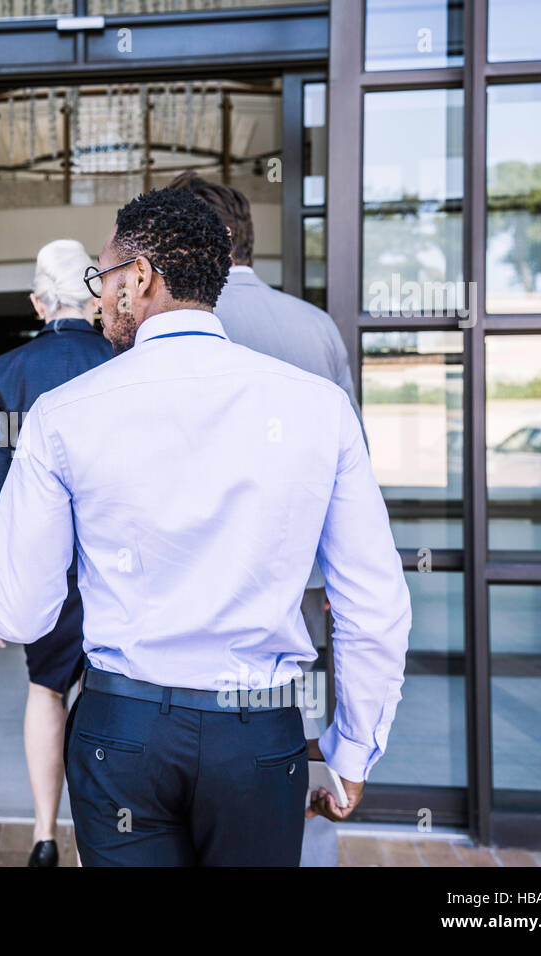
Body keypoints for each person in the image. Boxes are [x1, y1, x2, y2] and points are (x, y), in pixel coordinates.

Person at [0, 188, 411, 866]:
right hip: (259, 738)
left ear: (140, 278)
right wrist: (353, 749)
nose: (98, 297)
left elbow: (20, 611)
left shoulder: (63, 413)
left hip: (123, 733)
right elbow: (375, 602)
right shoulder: (319, 408)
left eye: (101, 278)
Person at [168, 172, 362, 665]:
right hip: (302, 569)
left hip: (196, 577)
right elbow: (352, 464)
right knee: (299, 715)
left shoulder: (172, 328)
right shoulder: (318, 327)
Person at [0, 239, 112, 867]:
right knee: (112, 691)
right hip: (114, 562)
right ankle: (102, 834)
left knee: (44, 689)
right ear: (97, 300)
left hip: (43, 561)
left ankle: (43, 833)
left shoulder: (8, 369)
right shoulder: (120, 357)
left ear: (38, 301)